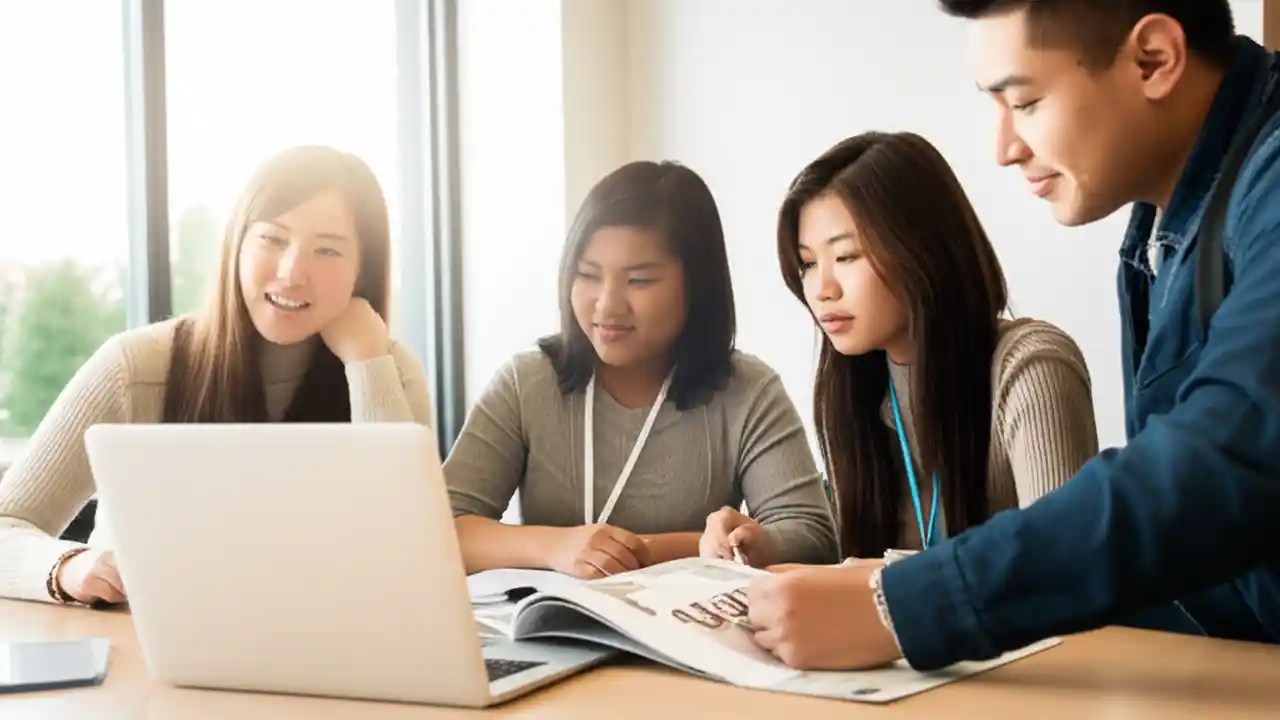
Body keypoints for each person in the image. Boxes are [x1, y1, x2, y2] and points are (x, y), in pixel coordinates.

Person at [746, 0, 1280, 671]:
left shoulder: (1266, 188)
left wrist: (902, 607)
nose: (1003, 149)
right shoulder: (1161, 231)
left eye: (1024, 102)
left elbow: (1220, 459)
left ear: (1154, 59)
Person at [0, 146, 432, 607]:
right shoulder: (137, 366)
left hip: (330, 653)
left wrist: (366, 363)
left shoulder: (389, 372)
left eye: (327, 250)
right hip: (140, 656)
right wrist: (69, 569)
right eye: (272, 239)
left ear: (361, 271)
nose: (291, 274)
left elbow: (415, 554)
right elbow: (9, 526)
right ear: (236, 247)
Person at [702, 131, 1097, 565]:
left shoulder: (1030, 367)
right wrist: (763, 543)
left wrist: (888, 582)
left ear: (921, 249)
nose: (822, 289)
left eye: (847, 256)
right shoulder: (861, 385)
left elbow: (1066, 567)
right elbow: (845, 541)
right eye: (809, 263)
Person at [445, 160, 837, 579]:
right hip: (555, 636)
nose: (607, 305)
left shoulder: (747, 390)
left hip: (690, 636)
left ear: (697, 284)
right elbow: (443, 529)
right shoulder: (527, 383)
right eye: (588, 275)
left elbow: (812, 536)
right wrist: (555, 546)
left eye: (639, 281)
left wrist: (729, 543)